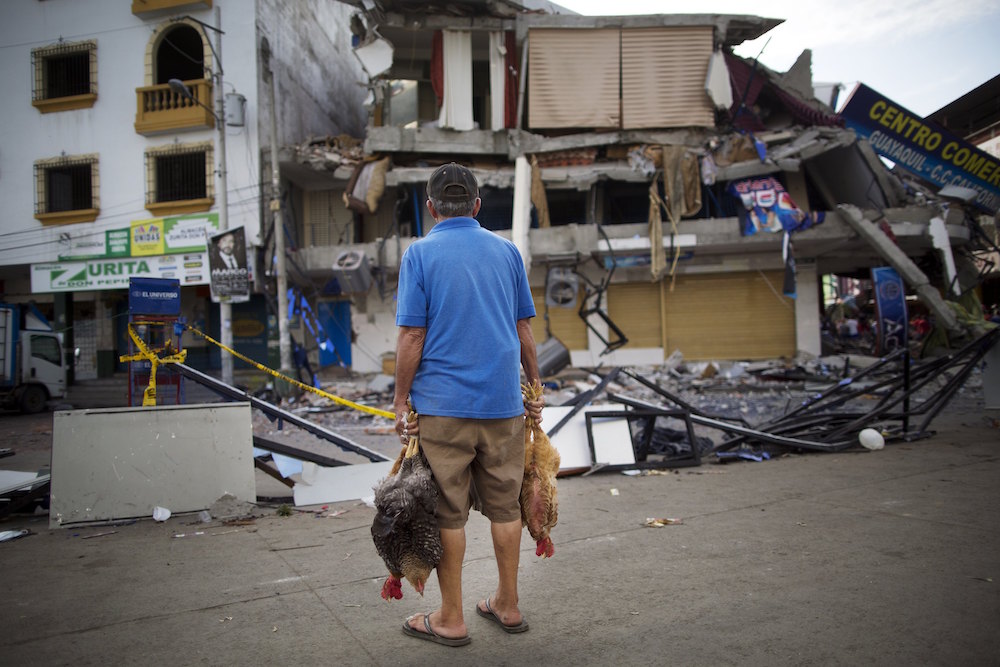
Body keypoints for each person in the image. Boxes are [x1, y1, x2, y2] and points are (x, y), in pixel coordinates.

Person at [393, 162, 544, 646]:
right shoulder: (507, 252)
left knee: (448, 512)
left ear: (431, 207)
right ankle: (508, 605)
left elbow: (412, 335)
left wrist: (399, 400)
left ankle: (451, 618)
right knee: (506, 507)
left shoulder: (419, 254)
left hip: (443, 409)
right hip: (503, 406)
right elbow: (523, 328)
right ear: (477, 205)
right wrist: (535, 388)